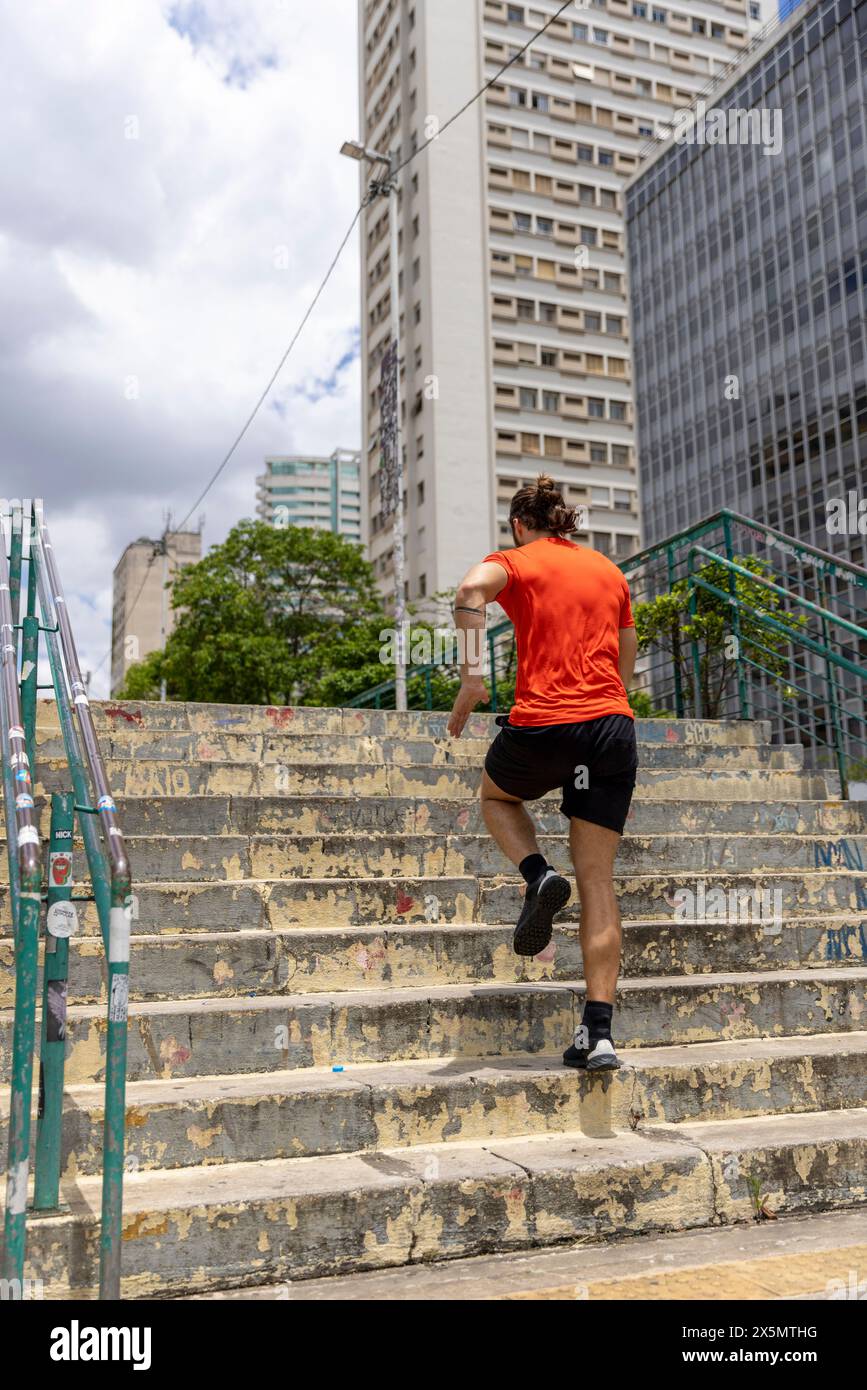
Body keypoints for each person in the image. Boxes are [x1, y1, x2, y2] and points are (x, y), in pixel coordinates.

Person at [447, 475, 638, 1071]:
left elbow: (469, 591)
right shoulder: (610, 571)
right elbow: (628, 656)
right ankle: (599, 1034)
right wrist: (603, 714)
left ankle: (535, 874)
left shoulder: (513, 559)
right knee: (599, 883)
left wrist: (473, 678)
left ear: (519, 526)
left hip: (544, 726)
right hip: (609, 729)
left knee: (496, 797)